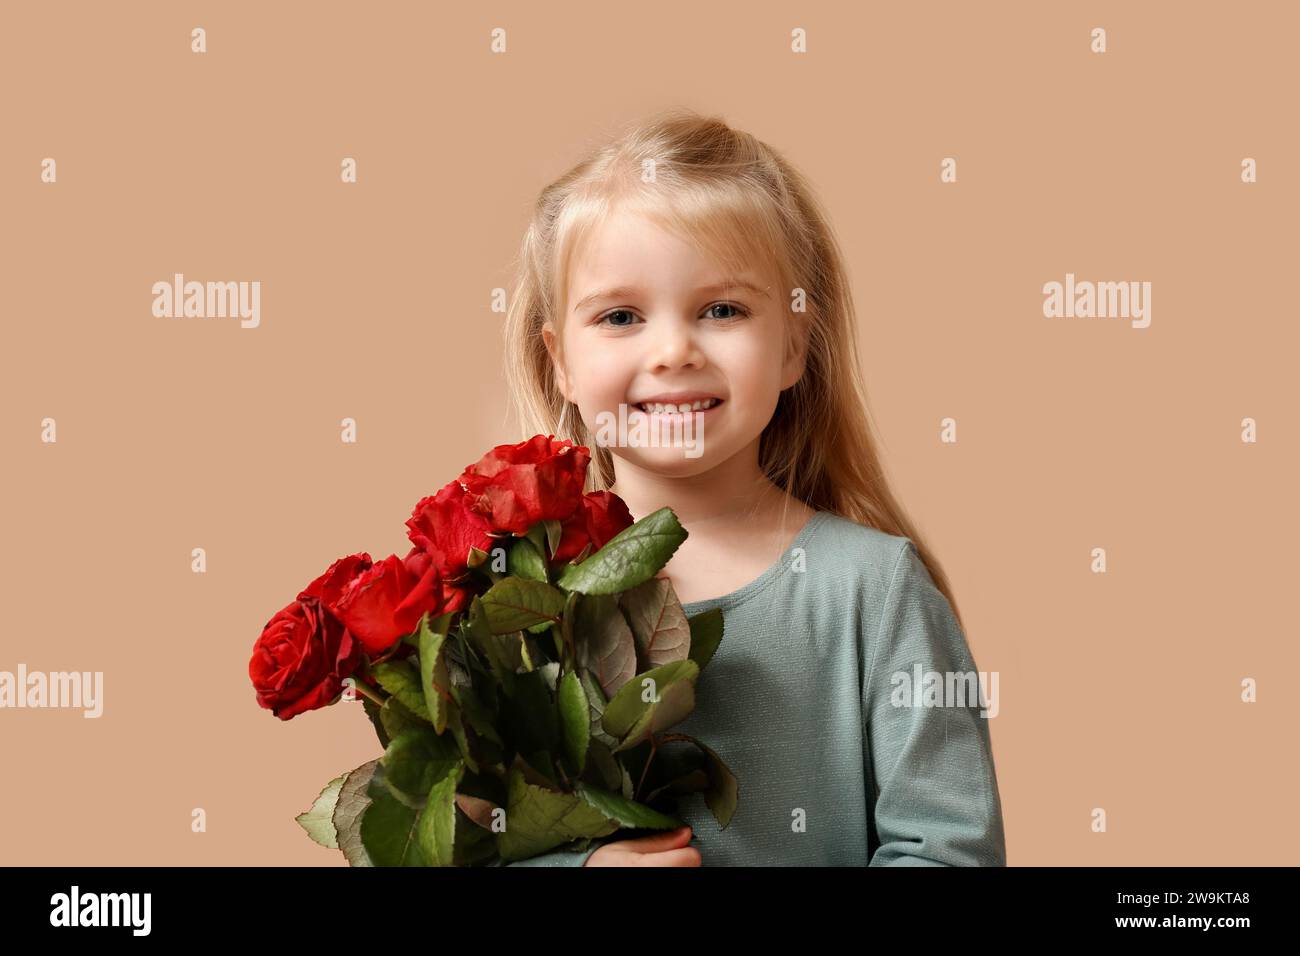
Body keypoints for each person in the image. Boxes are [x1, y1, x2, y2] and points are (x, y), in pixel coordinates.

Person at [500, 108, 1006, 867]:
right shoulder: (516, 593)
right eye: (620, 315)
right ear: (561, 362)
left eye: (723, 310)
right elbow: (472, 837)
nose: (673, 350)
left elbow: (949, 851)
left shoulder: (872, 590)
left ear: (795, 345)